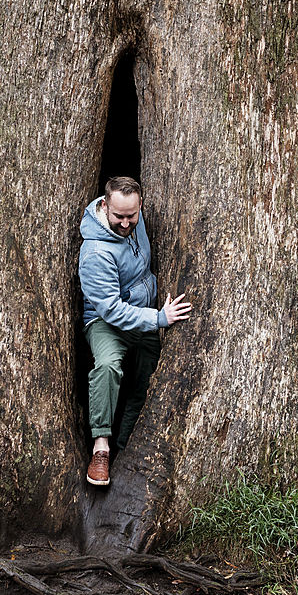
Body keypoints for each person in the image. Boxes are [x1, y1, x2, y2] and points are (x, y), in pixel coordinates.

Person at [78, 176, 191, 487]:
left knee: (149, 372)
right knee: (108, 367)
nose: (126, 223)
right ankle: (101, 447)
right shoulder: (95, 253)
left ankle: (125, 447)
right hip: (105, 323)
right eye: (119, 217)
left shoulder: (134, 222)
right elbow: (111, 310)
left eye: (132, 215)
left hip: (144, 316)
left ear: (140, 206)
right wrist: (158, 318)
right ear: (105, 206)